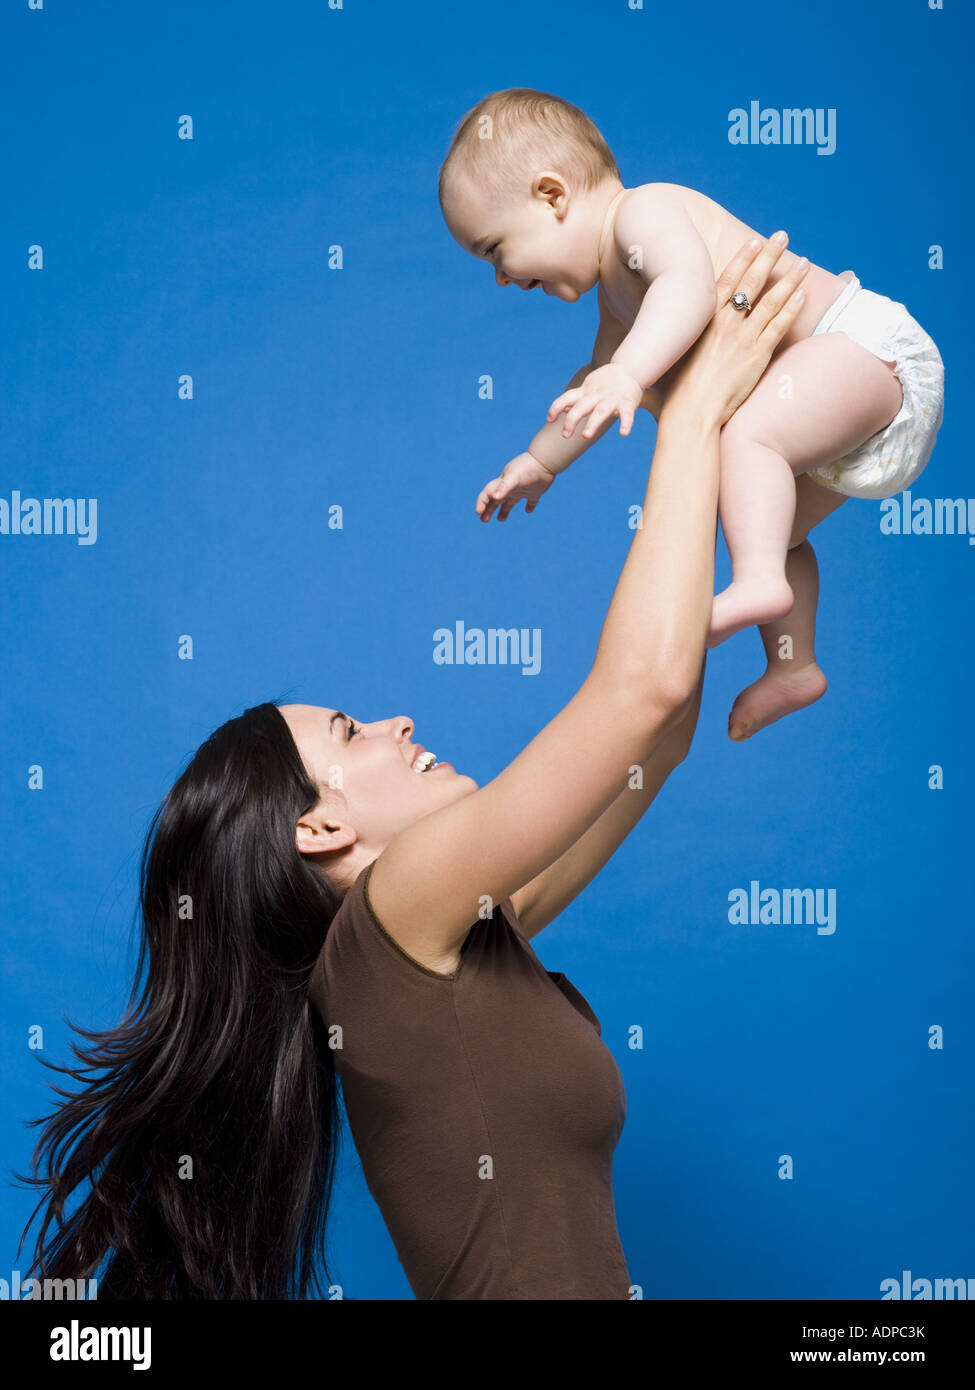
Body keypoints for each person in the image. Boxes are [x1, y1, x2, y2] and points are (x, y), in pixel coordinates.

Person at [16, 236, 809, 1300]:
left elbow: (648, 744)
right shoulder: (391, 918)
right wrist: (697, 412)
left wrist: (723, 455)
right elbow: (641, 692)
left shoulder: (466, 934)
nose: (393, 722)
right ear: (320, 828)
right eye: (348, 732)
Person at [439, 88, 945, 740]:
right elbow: (594, 384)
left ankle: (759, 580)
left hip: (867, 352)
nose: (500, 279)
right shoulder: (617, 306)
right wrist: (541, 461)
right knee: (760, 513)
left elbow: (688, 289)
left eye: (493, 250)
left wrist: (629, 372)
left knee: (739, 440)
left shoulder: (642, 214)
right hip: (848, 405)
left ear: (552, 196)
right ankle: (793, 666)